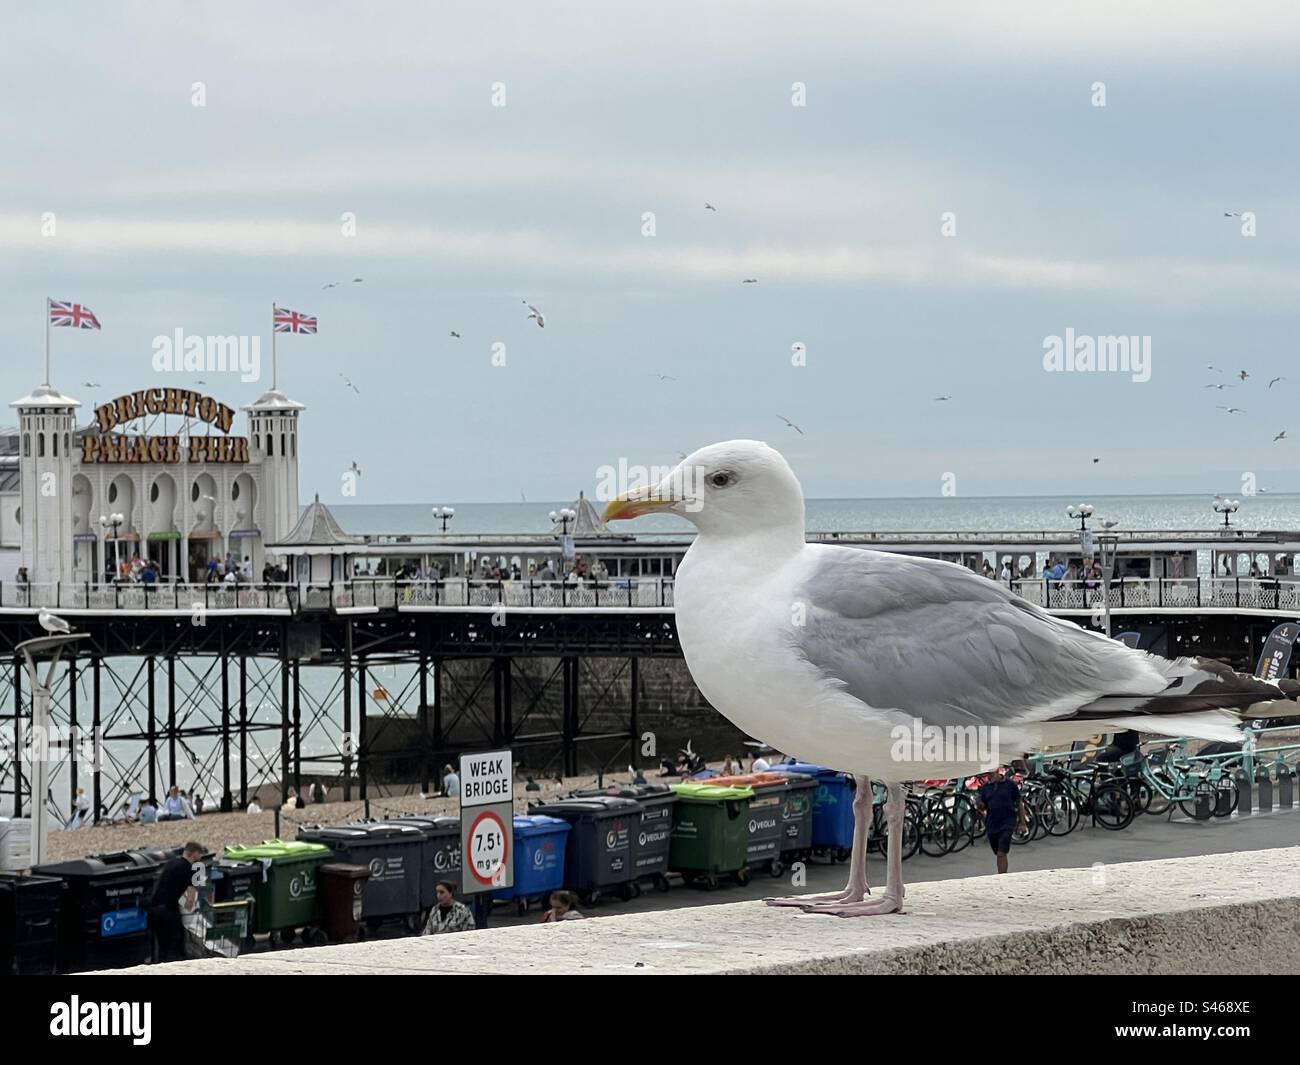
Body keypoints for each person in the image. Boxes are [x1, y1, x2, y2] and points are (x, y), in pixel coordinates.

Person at [150, 841, 204, 963]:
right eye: (200, 854)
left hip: (154, 910)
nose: (200, 858)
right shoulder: (191, 870)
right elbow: (190, 901)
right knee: (175, 948)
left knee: (161, 948)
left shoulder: (170, 863)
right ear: (194, 854)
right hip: (169, 912)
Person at [975, 768, 1028, 874]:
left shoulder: (1009, 784)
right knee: (997, 851)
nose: (989, 777)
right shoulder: (986, 788)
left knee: (1001, 852)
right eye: (987, 775)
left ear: (997, 772)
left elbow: (1019, 803)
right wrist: (979, 805)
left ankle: (1002, 876)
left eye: (991, 774)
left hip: (1007, 821)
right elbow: (983, 806)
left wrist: (1022, 822)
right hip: (992, 823)